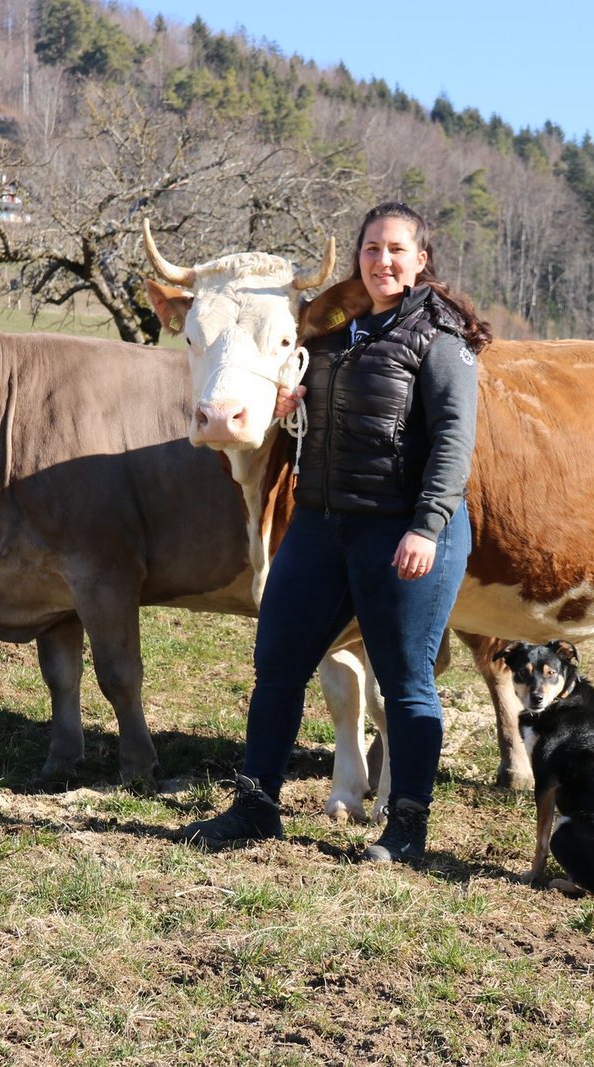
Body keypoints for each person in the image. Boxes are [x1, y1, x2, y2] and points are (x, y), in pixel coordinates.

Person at [181, 201, 490, 862]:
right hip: (323, 523)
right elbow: (308, 401)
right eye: (372, 248)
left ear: (420, 260)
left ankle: (406, 828)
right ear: (359, 258)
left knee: (406, 681)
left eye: (397, 250)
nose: (383, 261)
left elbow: (453, 442)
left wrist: (427, 527)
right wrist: (294, 404)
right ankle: (256, 806)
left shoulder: (441, 338)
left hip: (402, 531)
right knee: (277, 666)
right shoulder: (334, 333)